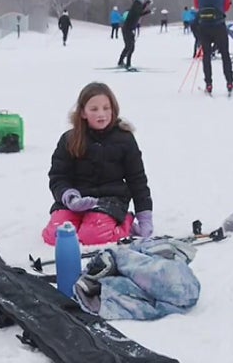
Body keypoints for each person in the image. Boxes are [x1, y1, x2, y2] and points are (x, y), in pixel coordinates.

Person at [42, 82, 153, 247]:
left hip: (110, 200)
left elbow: (137, 180)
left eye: (106, 108)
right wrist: (70, 197)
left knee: (92, 235)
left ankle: (126, 222)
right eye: (94, 109)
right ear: (83, 113)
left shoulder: (125, 139)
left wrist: (144, 217)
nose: (101, 114)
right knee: (56, 236)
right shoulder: (69, 139)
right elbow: (58, 176)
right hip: (77, 201)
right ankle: (80, 220)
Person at [194, 0, 233, 95]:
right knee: (225, 54)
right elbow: (226, 7)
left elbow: (197, 5)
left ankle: (209, 84)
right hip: (218, 25)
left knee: (206, 55)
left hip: (204, 25)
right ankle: (229, 81)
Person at [117, 0, 153, 69]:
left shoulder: (137, 5)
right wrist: (147, 9)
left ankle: (125, 62)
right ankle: (124, 63)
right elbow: (139, 12)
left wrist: (147, 4)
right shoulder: (136, 5)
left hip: (129, 29)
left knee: (130, 47)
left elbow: (140, 10)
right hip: (127, 29)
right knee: (129, 46)